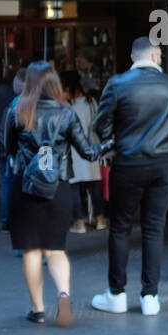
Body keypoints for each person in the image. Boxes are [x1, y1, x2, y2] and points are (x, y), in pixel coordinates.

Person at [3, 62, 112, 325]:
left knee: (31, 251)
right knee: (55, 250)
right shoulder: (67, 114)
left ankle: (38, 310)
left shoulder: (16, 110)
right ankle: (64, 295)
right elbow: (88, 152)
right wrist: (114, 141)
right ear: (55, 84)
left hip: (25, 187)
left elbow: (7, 148)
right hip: (59, 185)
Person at [90, 37, 168, 317]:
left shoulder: (118, 84)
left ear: (134, 57)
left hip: (129, 163)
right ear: (155, 57)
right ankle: (150, 297)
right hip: (164, 164)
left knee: (120, 228)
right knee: (154, 228)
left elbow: (101, 126)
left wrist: (116, 135)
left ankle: (116, 294)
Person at [64, 74, 106, 233]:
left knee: (74, 186)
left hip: (74, 151)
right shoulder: (92, 103)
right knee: (94, 186)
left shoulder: (69, 106)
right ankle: (100, 219)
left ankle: (79, 222)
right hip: (91, 149)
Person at [0, 66, 27, 232]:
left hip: (8, 151)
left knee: (7, 183)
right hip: (21, 153)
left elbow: (5, 134)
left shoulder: (11, 105)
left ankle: (7, 220)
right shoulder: (29, 105)